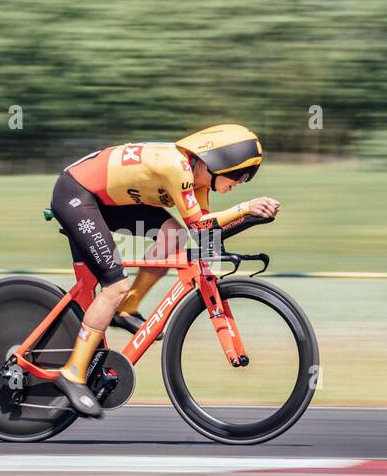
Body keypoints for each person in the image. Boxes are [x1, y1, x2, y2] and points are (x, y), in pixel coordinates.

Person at [48, 123, 280, 416]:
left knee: (173, 236)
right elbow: (200, 225)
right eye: (237, 178)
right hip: (77, 194)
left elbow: (206, 234)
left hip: (106, 199)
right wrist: (246, 207)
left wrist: (253, 219)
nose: (236, 186)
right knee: (115, 285)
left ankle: (126, 309)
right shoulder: (177, 168)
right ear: (218, 164)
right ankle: (72, 373)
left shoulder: (198, 179)